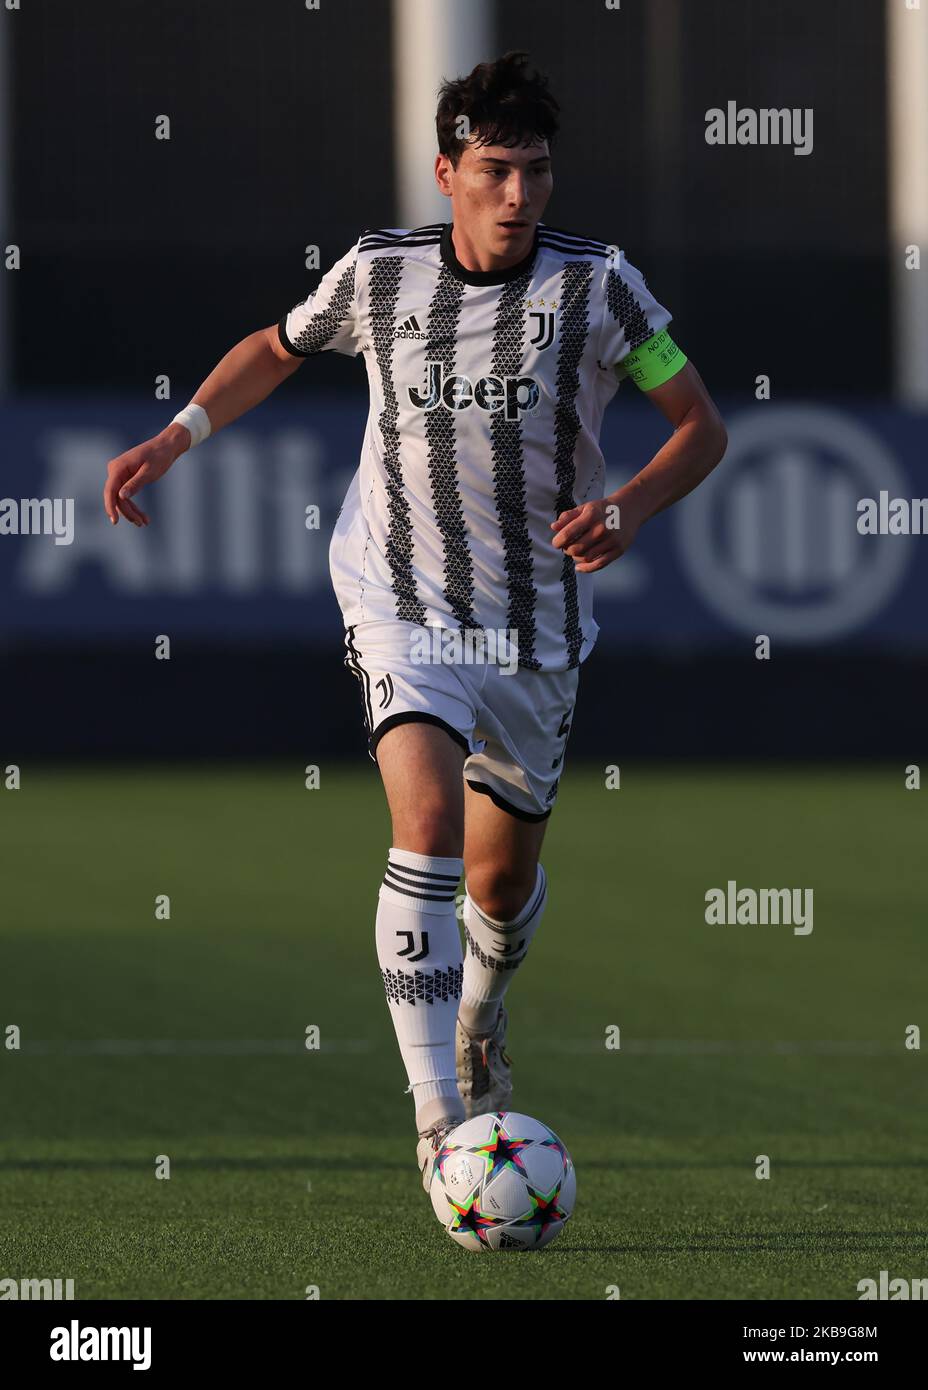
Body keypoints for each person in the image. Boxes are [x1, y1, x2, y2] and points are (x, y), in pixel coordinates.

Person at [102, 50, 727, 1199]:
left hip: (534, 626)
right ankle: (441, 1121)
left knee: (500, 887)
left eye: (536, 171)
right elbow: (274, 349)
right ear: (447, 174)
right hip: (402, 596)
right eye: (494, 170)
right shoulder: (379, 272)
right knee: (426, 822)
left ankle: (481, 1013)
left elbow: (698, 423)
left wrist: (631, 505)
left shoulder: (601, 288)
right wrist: (175, 433)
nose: (519, 194)